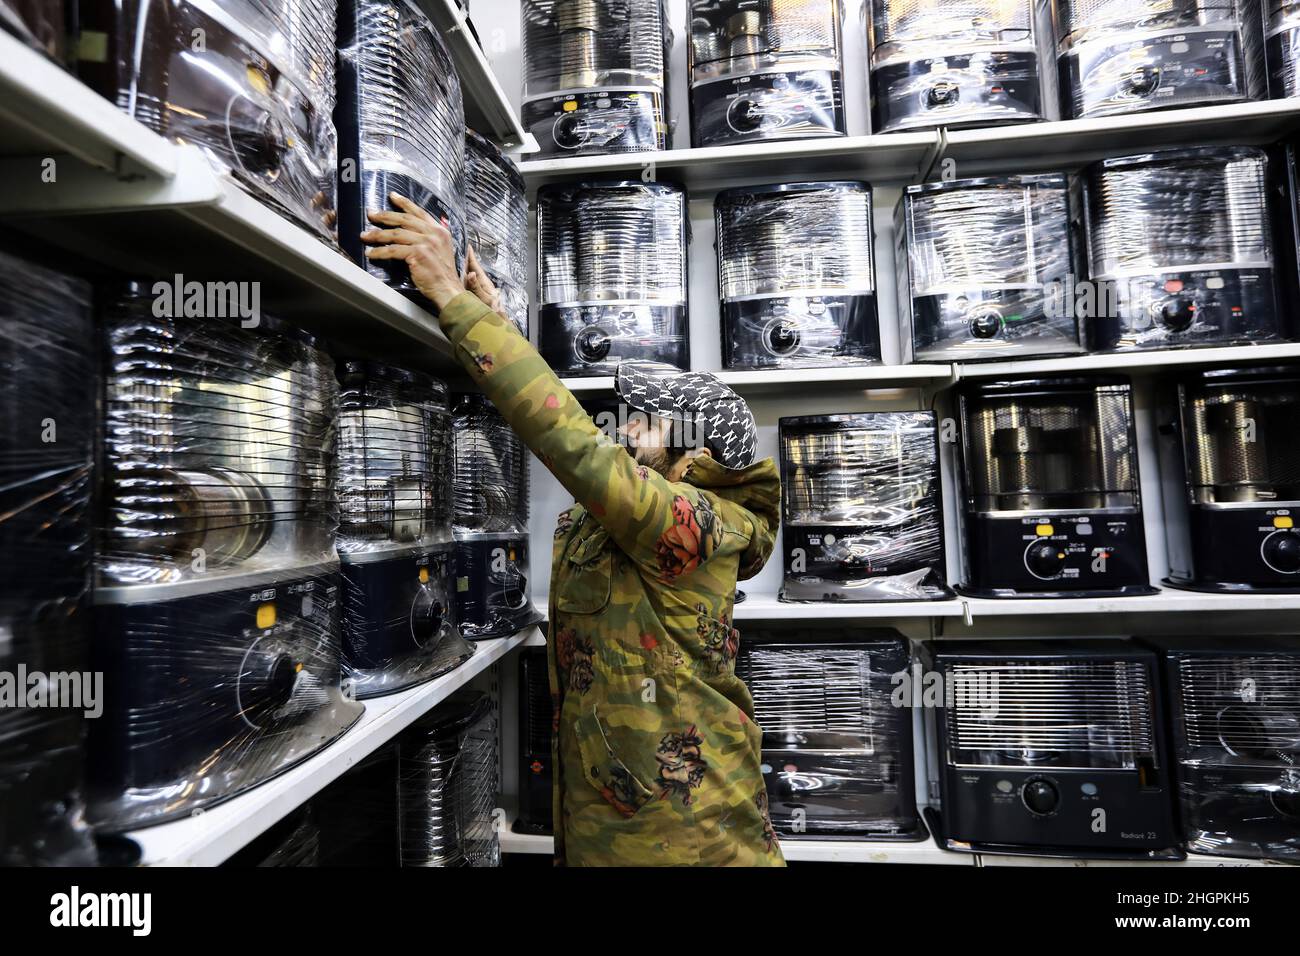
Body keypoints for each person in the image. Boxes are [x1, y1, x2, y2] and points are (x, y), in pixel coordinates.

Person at [362, 193, 785, 867]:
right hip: (617, 815)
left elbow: (574, 445)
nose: (625, 430)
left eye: (642, 420)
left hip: (686, 834)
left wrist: (453, 300)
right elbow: (561, 424)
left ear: (691, 451)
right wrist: (493, 328)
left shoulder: (695, 523)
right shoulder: (634, 514)